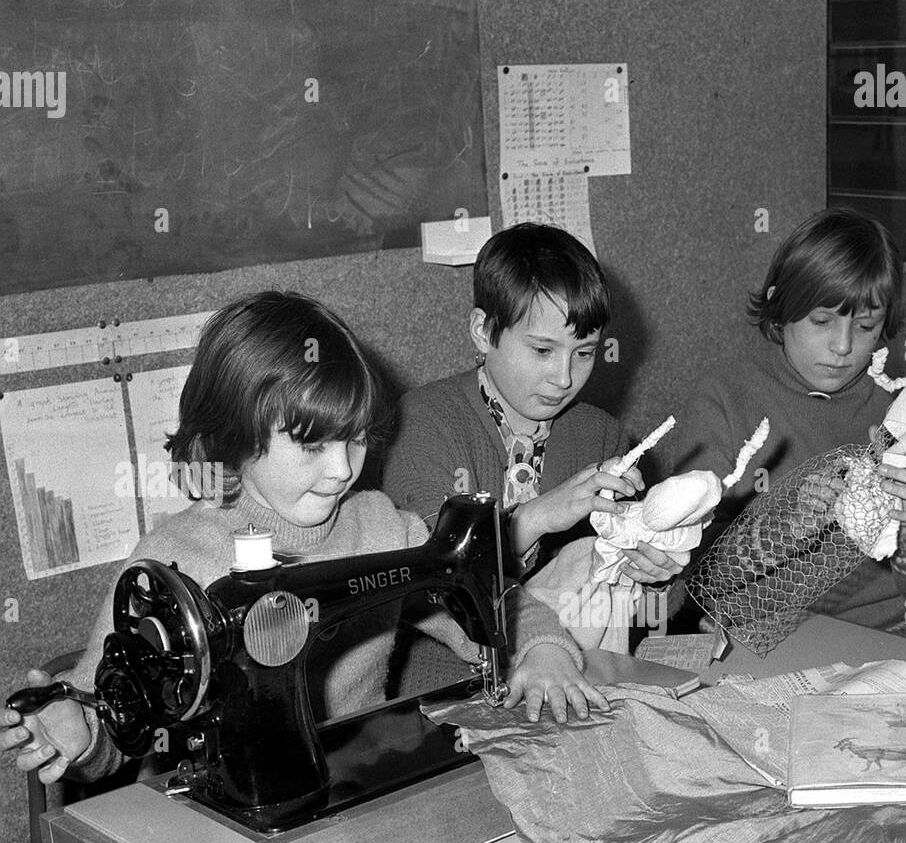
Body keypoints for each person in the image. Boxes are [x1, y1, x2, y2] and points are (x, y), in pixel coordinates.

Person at [2, 291, 607, 787]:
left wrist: (543, 649)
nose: (344, 469)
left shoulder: (380, 525)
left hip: (352, 789)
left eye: (357, 438)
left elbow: (488, 601)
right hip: (209, 816)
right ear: (235, 436)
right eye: (313, 445)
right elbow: (115, 714)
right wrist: (82, 733)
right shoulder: (168, 563)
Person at [382, 223, 686, 668]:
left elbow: (641, 614)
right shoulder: (424, 424)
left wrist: (655, 577)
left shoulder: (601, 436)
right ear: (483, 331)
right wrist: (534, 519)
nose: (564, 379)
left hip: (574, 674)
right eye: (543, 351)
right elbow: (431, 582)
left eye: (584, 353)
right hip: (451, 679)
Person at [671, 206, 906, 636]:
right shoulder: (724, 399)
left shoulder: (905, 413)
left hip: (887, 641)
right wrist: (782, 527)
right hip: (762, 643)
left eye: (866, 326)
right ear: (781, 306)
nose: (843, 346)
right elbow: (692, 581)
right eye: (822, 321)